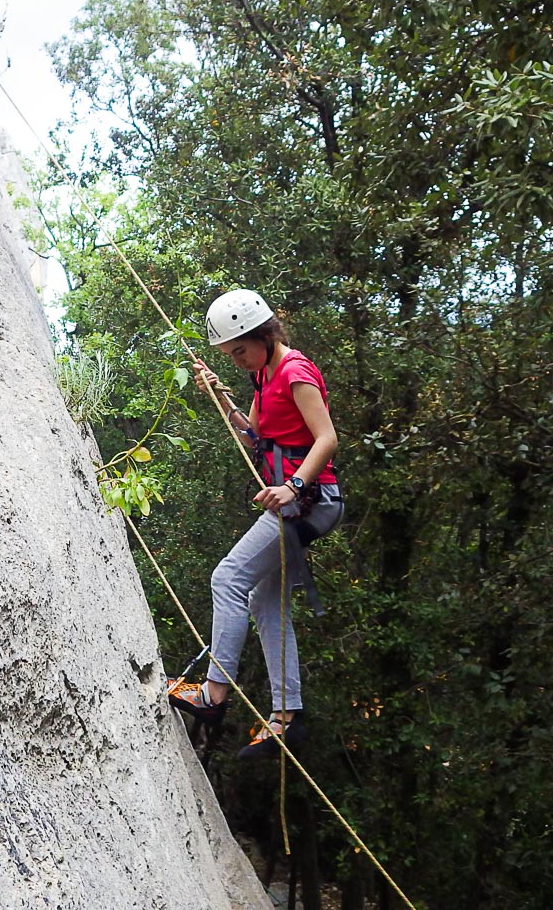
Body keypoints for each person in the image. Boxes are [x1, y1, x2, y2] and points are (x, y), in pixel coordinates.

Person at [167, 289, 343, 757]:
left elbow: (327, 438)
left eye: (240, 350)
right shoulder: (264, 375)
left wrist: (294, 487)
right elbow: (254, 437)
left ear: (264, 334)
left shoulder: (295, 372)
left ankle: (212, 695)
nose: (237, 360)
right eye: (230, 355)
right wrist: (222, 400)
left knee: (228, 578)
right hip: (300, 501)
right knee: (265, 600)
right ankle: (287, 717)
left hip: (311, 501)